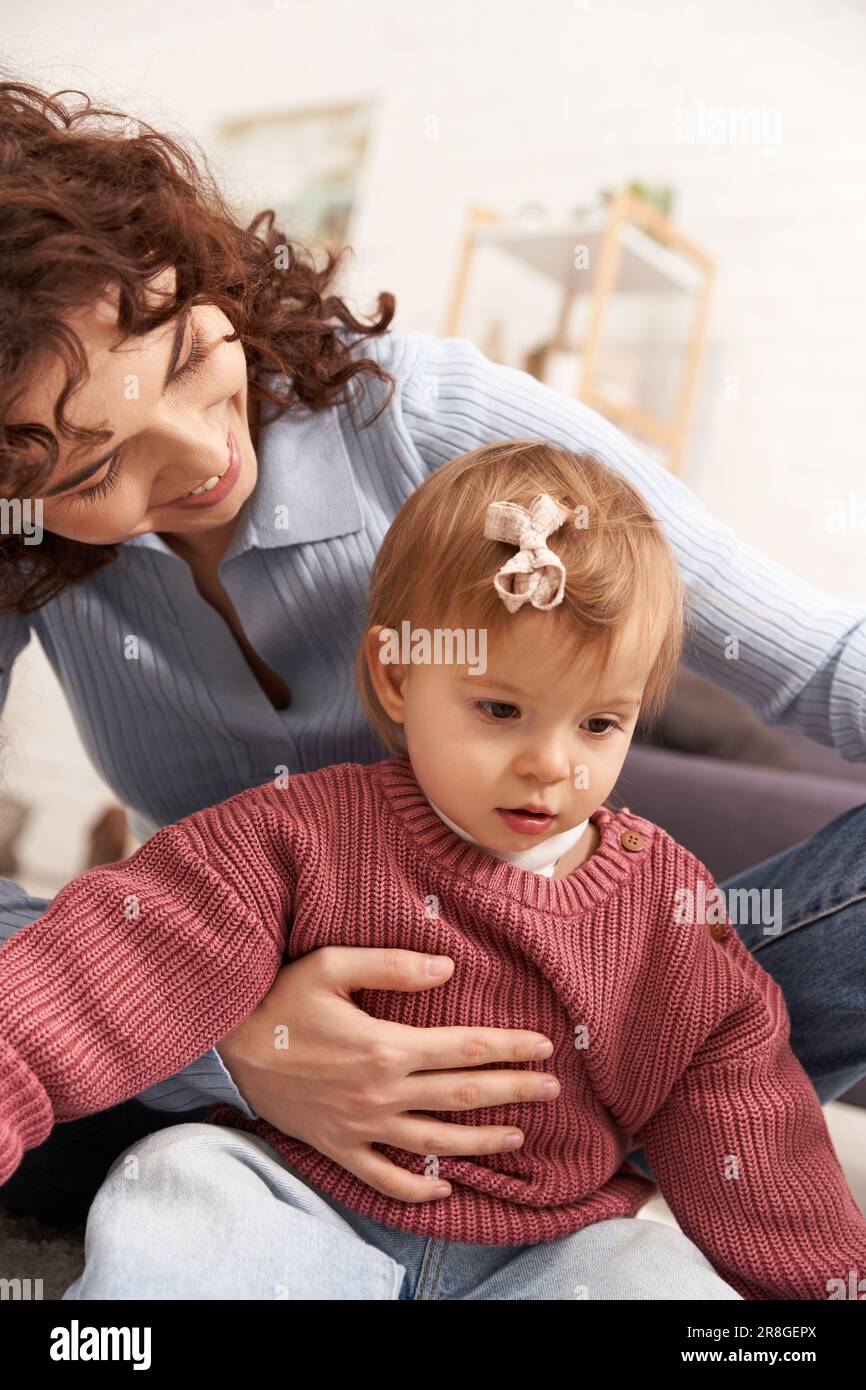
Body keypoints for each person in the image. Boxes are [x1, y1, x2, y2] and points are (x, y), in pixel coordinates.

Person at [1, 79, 865, 1230]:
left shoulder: (422, 419)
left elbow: (812, 661)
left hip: (582, 1029)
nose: (201, 447)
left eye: (184, 352)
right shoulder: (23, 555)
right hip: (243, 1033)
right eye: (95, 466)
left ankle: (561, 1157)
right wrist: (230, 1047)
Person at [2, 439, 864, 1300]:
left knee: (653, 1272)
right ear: (398, 675)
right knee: (183, 1178)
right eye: (500, 709)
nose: (550, 765)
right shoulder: (297, 834)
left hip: (542, 1256)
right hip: (304, 1214)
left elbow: (746, 1112)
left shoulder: (667, 902)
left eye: (600, 725)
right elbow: (105, 969)